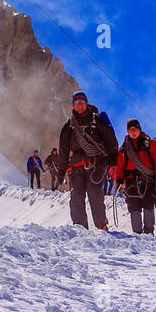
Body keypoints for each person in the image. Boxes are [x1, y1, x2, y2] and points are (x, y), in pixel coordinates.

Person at [57, 90, 118, 230]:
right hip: (76, 168)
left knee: (95, 193)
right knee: (76, 197)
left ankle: (101, 225)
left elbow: (110, 139)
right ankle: (80, 228)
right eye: (77, 102)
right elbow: (63, 150)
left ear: (86, 103)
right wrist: (61, 172)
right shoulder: (69, 127)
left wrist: (113, 159)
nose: (79, 105)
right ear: (73, 105)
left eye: (82, 102)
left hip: (97, 165)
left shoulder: (97, 121)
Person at [112, 119, 156, 234]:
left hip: (148, 180)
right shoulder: (124, 149)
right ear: (128, 132)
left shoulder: (150, 144)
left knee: (148, 204)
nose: (133, 132)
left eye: (135, 129)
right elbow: (118, 165)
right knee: (133, 205)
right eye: (130, 130)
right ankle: (137, 234)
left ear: (139, 129)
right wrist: (119, 178)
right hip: (130, 181)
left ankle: (149, 233)